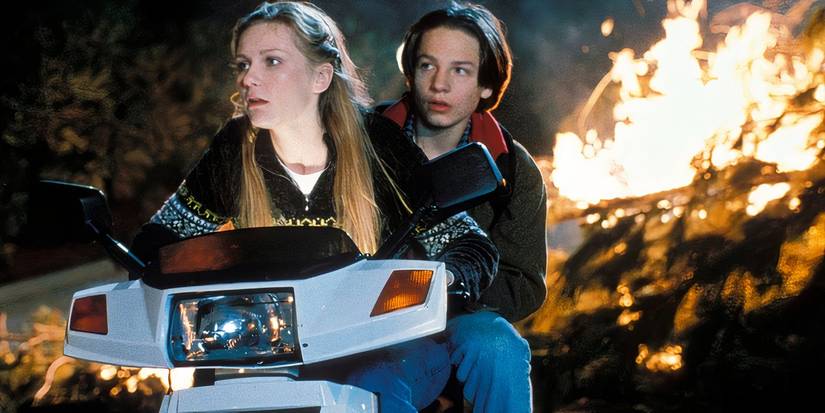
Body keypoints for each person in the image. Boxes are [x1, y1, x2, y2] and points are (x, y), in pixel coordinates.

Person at [130, 2, 498, 410]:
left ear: (320, 76)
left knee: (379, 382)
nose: (248, 78)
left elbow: (468, 243)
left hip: (381, 349)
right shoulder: (235, 149)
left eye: (271, 62)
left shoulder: (379, 144)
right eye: (244, 64)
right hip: (264, 354)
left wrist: (443, 279)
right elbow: (158, 241)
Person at [363, 2, 548, 412]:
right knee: (378, 373)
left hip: (463, 317)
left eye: (460, 70)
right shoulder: (364, 143)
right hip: (371, 321)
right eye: (427, 66)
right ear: (410, 73)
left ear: (486, 86)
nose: (439, 84)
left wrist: (443, 289)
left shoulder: (512, 168)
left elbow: (525, 282)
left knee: (497, 345)